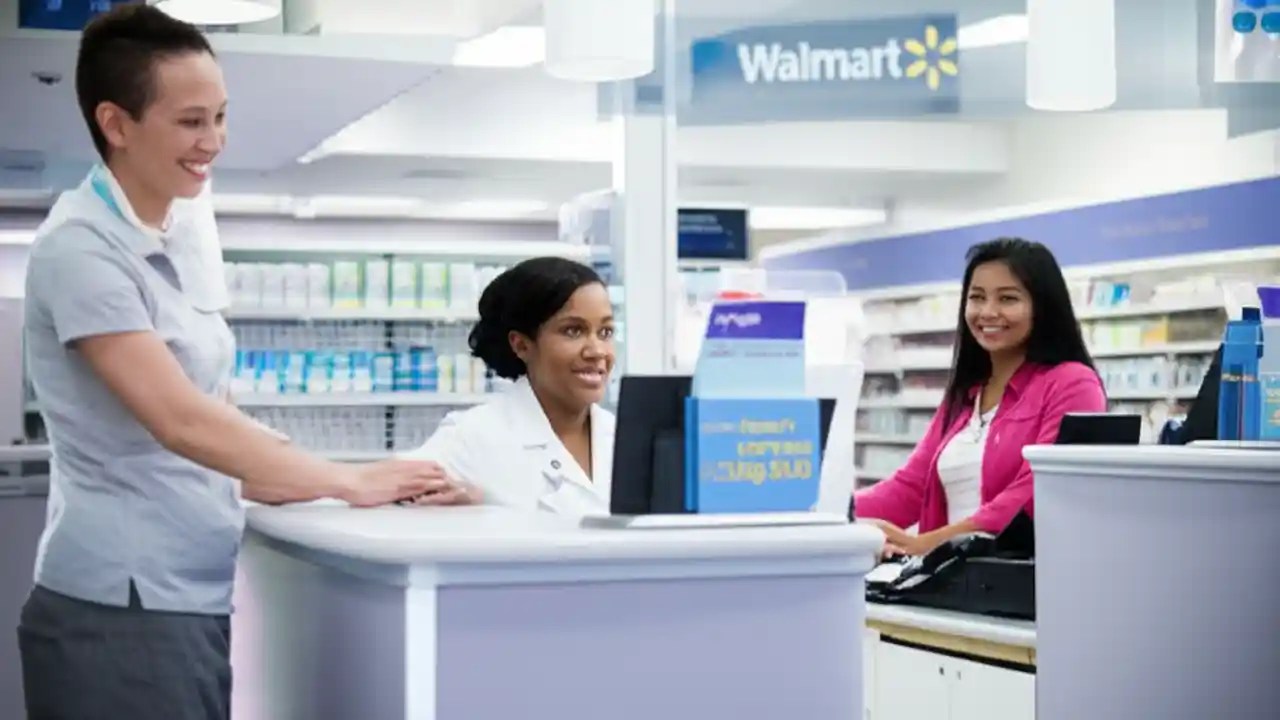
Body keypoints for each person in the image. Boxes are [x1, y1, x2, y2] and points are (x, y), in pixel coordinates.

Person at [17, 7, 445, 719]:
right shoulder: (82, 249)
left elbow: (209, 407)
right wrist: (347, 480)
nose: (212, 141)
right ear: (117, 124)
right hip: (124, 604)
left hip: (182, 595)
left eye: (219, 116)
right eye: (190, 121)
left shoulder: (173, 230)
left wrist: (294, 477)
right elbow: (180, 419)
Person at [854, 238, 1106, 557]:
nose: (988, 312)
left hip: (1022, 584)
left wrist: (932, 542)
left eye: (1008, 299)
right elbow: (910, 487)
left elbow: (1036, 492)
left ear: (1042, 306)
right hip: (949, 580)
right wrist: (830, 512)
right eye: (977, 298)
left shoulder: (1072, 383)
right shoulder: (965, 395)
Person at [401, 256, 617, 518]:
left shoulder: (620, 436)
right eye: (573, 331)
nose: (597, 351)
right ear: (521, 345)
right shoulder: (473, 437)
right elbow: (378, 499)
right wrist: (470, 518)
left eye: (605, 332)